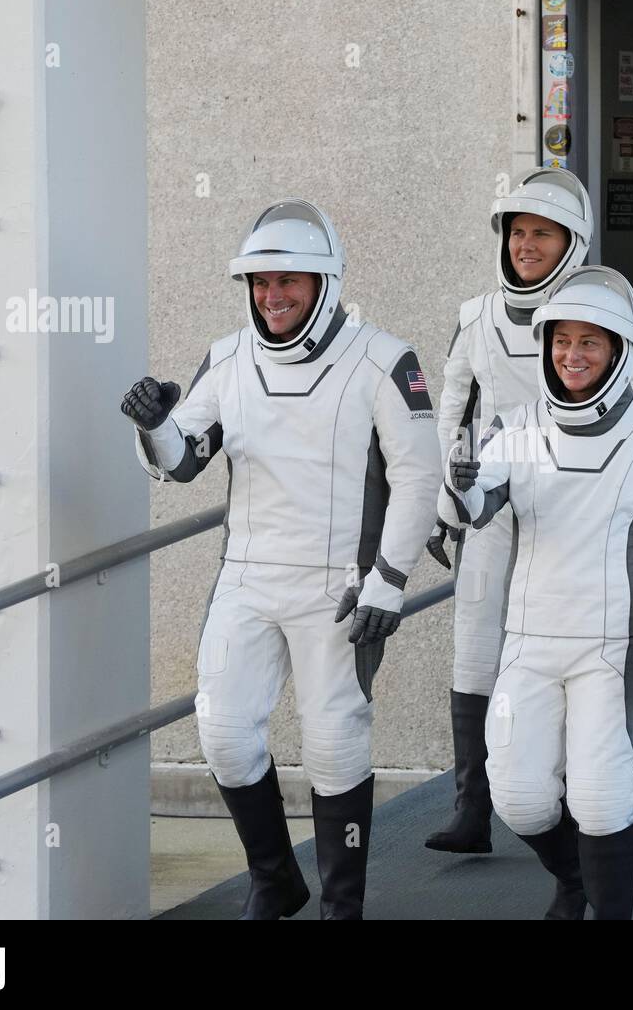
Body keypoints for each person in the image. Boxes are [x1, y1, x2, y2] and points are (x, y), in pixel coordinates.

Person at [120, 200, 441, 919]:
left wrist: (389, 581)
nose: (274, 296)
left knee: (333, 748)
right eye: (261, 282)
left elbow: (420, 478)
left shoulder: (384, 359)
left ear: (324, 281)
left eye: (289, 281)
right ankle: (275, 879)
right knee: (225, 734)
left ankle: (342, 903)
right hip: (247, 579)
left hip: (343, 588)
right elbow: (181, 462)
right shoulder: (228, 356)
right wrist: (153, 426)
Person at [444, 266, 633, 919]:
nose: (573, 355)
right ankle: (575, 881)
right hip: (529, 643)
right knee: (518, 795)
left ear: (619, 350)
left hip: (611, 647)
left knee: (600, 794)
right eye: (562, 341)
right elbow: (481, 506)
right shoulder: (515, 424)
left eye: (591, 342)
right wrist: (465, 484)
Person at [425, 170, 633, 855]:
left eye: (541, 234)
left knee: (575, 647)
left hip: (574, 506)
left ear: (571, 242)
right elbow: (452, 411)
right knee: (475, 644)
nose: (526, 245)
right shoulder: (475, 315)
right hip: (494, 499)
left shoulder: (602, 310)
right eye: (517, 232)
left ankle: (584, 795)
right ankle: (474, 807)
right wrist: (448, 502)